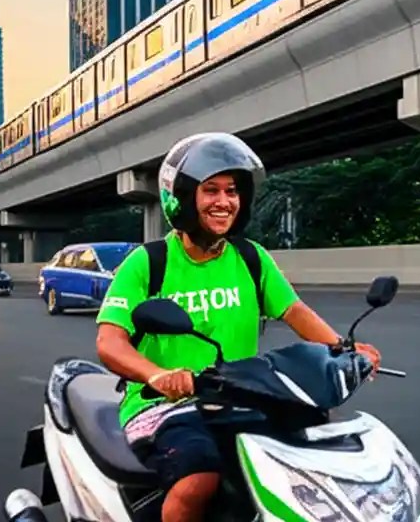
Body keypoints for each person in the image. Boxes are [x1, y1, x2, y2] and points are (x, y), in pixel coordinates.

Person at [95, 132, 382, 522]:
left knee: (306, 458)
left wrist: (343, 350)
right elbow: (109, 342)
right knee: (199, 477)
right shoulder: (148, 263)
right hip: (165, 404)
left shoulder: (250, 258)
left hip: (244, 394)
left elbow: (294, 311)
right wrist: (158, 375)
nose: (224, 202)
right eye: (210, 190)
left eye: (232, 191)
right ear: (181, 198)